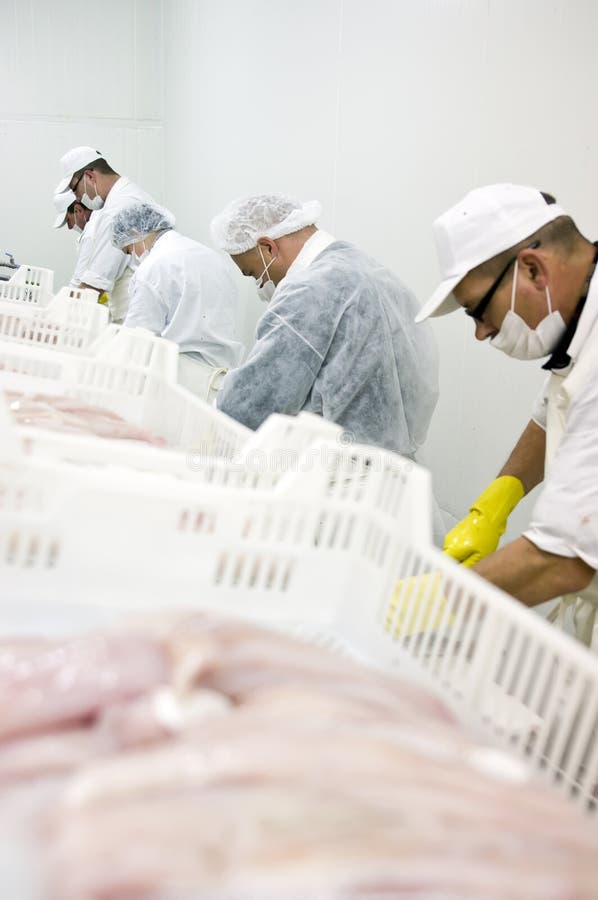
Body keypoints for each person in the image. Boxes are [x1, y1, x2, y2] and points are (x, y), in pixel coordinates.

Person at [416, 183, 598, 645]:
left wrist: (422, 607)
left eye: (477, 309)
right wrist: (495, 502)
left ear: (533, 269)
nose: (481, 333)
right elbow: (551, 412)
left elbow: (561, 559)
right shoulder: (582, 322)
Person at [210, 193, 439, 462]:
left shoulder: (308, 291)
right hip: (395, 471)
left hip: (334, 477)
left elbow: (250, 406)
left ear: (268, 248)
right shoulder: (371, 272)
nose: (260, 285)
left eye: (253, 274)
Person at [112, 202, 245, 401]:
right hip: (225, 380)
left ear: (135, 233)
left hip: (183, 385)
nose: (133, 257)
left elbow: (138, 339)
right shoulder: (209, 256)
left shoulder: (152, 268)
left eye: (129, 250)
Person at [54, 146, 170, 324]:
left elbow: (94, 285)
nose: (77, 198)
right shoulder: (129, 196)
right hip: (143, 314)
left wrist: (55, 321)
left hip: (138, 319)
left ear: (90, 177)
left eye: (75, 189)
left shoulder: (118, 209)